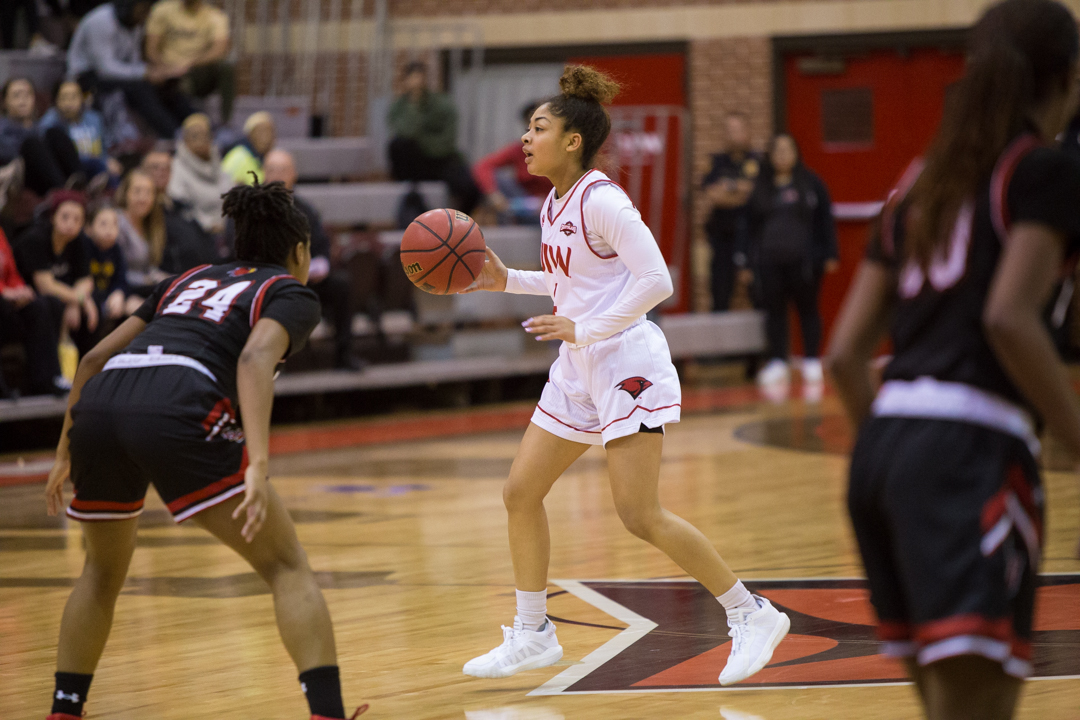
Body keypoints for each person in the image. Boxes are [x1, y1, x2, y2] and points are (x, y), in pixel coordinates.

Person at [460, 65, 790, 684]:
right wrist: (510, 280)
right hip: (579, 365)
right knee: (520, 493)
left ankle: (753, 613)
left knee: (639, 514)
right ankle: (533, 632)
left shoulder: (602, 199)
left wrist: (585, 330)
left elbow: (656, 279)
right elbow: (573, 284)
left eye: (538, 128)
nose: (525, 140)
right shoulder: (554, 204)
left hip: (626, 363)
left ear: (573, 140)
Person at [826, 1, 1080, 718]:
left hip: (879, 455)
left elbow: (844, 355)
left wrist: (897, 452)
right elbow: (1008, 315)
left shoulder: (920, 182)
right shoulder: (1042, 171)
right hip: (970, 450)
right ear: (1067, 77)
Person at [42, 180, 368, 720]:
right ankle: (328, 715)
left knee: (99, 575)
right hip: (178, 400)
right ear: (301, 251)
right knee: (288, 565)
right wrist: (258, 465)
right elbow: (253, 360)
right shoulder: (289, 291)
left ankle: (63, 710)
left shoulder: (186, 278)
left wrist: (62, 453)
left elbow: (96, 356)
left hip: (100, 405)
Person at [749, 134, 838, 389]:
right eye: (778, 150)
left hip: (804, 261)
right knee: (775, 312)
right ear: (770, 155)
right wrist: (747, 261)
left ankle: (811, 360)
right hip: (769, 261)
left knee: (808, 309)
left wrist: (830, 253)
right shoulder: (762, 186)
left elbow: (825, 220)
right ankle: (778, 361)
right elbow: (750, 225)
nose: (783, 155)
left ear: (796, 153)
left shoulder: (811, 183)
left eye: (788, 150)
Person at [262, 148, 362, 370]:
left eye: (283, 170)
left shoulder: (305, 209)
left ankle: (343, 356)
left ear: (293, 175)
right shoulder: (254, 210)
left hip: (305, 280)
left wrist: (320, 265)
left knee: (341, 285)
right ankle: (275, 363)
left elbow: (321, 246)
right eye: (272, 169)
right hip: (269, 283)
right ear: (263, 173)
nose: (277, 175)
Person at [67, 0, 194, 139]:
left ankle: (195, 126)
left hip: (119, 73)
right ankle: (173, 135)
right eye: (141, 10)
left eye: (147, 10)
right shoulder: (100, 21)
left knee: (166, 85)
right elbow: (105, 68)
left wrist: (157, 73)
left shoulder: (135, 24)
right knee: (138, 88)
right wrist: (145, 72)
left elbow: (133, 61)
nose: (145, 15)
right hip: (86, 76)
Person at [387, 62, 481, 214]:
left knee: (472, 187)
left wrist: (422, 142)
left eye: (419, 77)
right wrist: (414, 104)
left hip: (442, 161)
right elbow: (404, 132)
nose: (416, 82)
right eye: (412, 78)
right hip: (415, 164)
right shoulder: (399, 107)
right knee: (397, 145)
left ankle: (458, 221)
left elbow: (447, 141)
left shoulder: (442, 104)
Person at [13, 190, 99, 356]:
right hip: (26, 296)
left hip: (60, 296)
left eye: (77, 219)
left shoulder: (78, 240)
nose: (71, 224)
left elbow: (86, 280)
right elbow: (45, 286)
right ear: (53, 217)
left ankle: (89, 368)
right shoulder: (35, 238)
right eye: (65, 217)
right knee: (53, 305)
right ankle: (52, 375)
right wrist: (81, 299)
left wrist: (75, 302)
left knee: (95, 306)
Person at [702, 112, 762, 311]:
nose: (733, 135)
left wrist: (729, 188)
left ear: (747, 132)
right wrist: (741, 190)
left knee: (758, 292)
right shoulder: (716, 162)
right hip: (722, 238)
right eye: (728, 130)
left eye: (737, 130)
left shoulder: (759, 161)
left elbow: (757, 194)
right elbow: (712, 196)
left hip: (753, 239)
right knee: (720, 292)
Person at [0, 226, 67, 397]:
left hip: (7, 302)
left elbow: (11, 273)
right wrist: (5, 292)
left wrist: (21, 289)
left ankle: (46, 380)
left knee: (44, 305)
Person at [146, 0, 235, 124]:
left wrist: (188, 64)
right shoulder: (162, 10)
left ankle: (226, 123)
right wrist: (163, 68)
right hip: (166, 69)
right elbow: (151, 48)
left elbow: (220, 49)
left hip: (197, 70)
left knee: (226, 67)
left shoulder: (215, 15)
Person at [1, 78, 85, 196]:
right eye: (16, 95)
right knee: (31, 144)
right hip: (22, 175)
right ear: (5, 102)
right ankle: (63, 194)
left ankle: (81, 184)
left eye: (27, 95)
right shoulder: (3, 128)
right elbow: (8, 156)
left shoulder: (41, 126)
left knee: (54, 133)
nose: (22, 100)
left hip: (49, 173)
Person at [142, 147, 221, 272]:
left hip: (205, 272)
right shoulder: (144, 210)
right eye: (155, 167)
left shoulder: (180, 205)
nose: (162, 171)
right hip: (174, 278)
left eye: (166, 168)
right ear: (143, 171)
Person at [473, 100, 553, 224]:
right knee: (498, 180)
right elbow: (483, 166)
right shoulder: (519, 150)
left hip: (553, 206)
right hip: (524, 205)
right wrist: (493, 194)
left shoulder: (560, 151)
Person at [38, 80, 122, 184]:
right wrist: (102, 162)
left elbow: (105, 148)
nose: (69, 103)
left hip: (97, 167)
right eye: (64, 98)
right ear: (56, 101)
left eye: (73, 97)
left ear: (82, 98)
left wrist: (107, 160)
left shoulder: (95, 118)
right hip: (70, 170)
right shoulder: (50, 123)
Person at [169, 113, 233, 235]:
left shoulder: (218, 162)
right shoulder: (176, 166)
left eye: (205, 135)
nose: (201, 140)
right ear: (185, 139)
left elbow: (230, 195)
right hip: (194, 232)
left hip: (224, 230)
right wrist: (207, 224)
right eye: (195, 136)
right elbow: (182, 207)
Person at [114, 169, 169, 295]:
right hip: (122, 292)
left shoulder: (152, 224)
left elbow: (148, 268)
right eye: (137, 191)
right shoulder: (117, 222)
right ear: (125, 193)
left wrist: (165, 278)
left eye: (148, 193)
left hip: (144, 289)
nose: (143, 198)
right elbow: (116, 272)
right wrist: (147, 280)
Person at [83, 200, 131, 332]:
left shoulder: (116, 249)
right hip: (88, 298)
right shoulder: (84, 247)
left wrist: (118, 293)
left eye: (114, 224)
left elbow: (121, 279)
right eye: (103, 224)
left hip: (107, 297)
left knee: (129, 306)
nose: (109, 230)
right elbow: (80, 279)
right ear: (88, 227)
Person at [222, 111, 274, 185]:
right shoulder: (238, 157)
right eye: (260, 131)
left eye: (270, 131)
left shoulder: (269, 159)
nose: (266, 137)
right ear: (250, 135)